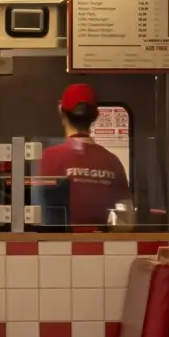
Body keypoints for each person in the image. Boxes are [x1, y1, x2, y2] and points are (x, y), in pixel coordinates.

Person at [36, 82, 129, 228]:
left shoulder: (47, 158)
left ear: (61, 110)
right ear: (96, 116)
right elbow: (127, 220)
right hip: (100, 241)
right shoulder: (112, 162)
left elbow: (35, 212)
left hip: (56, 241)